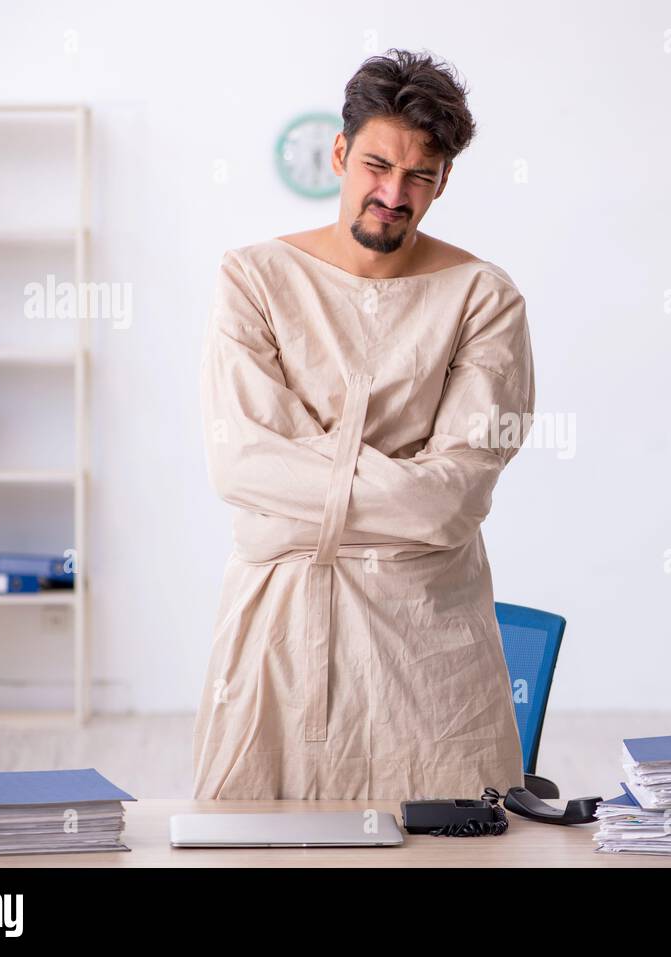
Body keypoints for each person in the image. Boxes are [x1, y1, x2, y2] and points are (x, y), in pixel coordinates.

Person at [193, 49, 535, 800]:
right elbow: (239, 465)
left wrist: (293, 513)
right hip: (278, 640)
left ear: (444, 179)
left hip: (430, 649)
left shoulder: (483, 297)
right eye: (377, 165)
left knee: (455, 851)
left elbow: (450, 501)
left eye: (419, 174)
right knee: (254, 842)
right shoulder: (252, 278)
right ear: (340, 152)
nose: (393, 192)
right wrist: (398, 482)